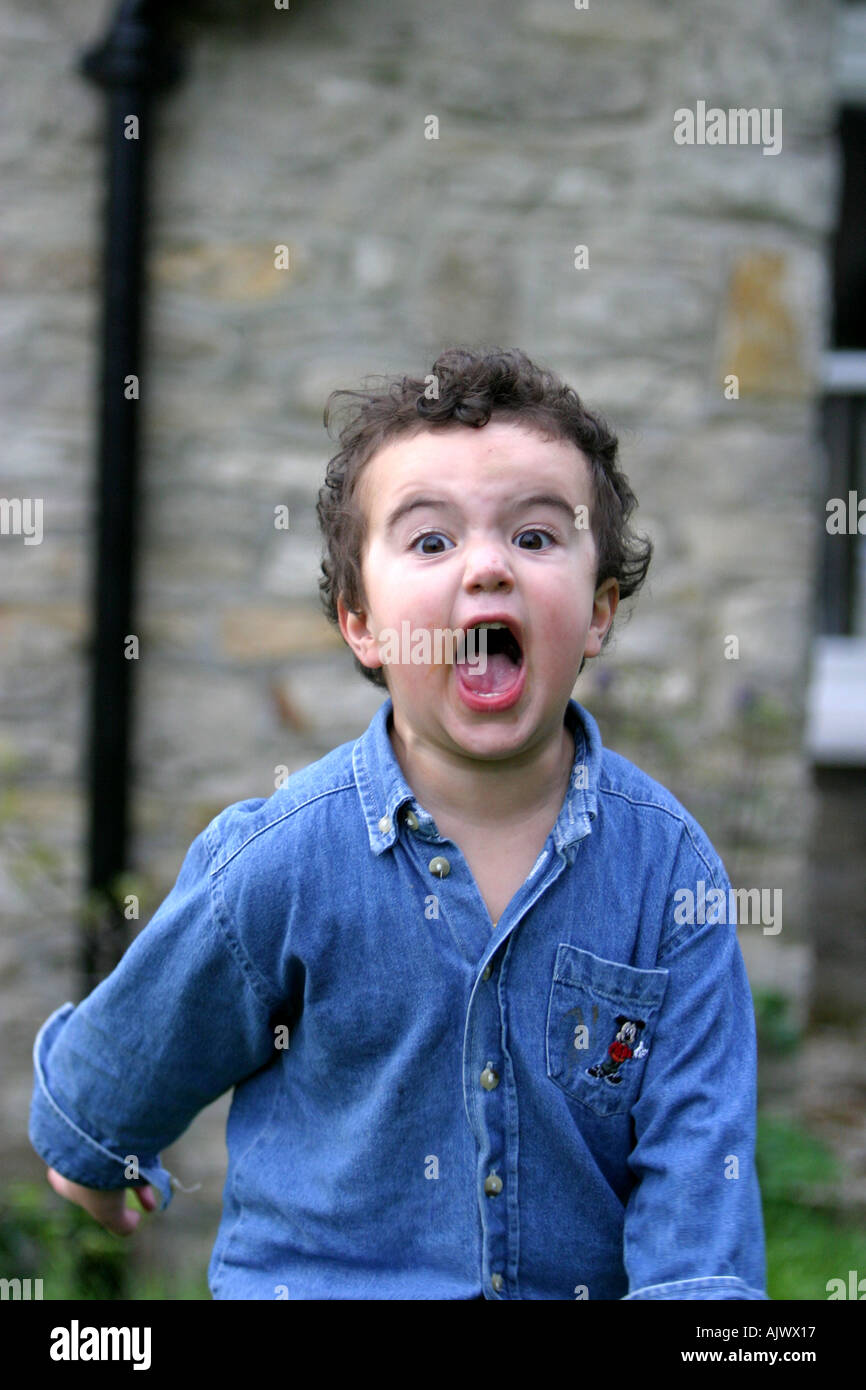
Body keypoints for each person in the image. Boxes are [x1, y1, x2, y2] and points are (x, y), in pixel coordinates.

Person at [30, 346, 768, 1300]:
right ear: (362, 624)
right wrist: (95, 1151)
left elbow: (698, 1194)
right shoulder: (284, 858)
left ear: (598, 613)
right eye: (430, 541)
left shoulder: (667, 873)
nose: (489, 567)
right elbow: (118, 1070)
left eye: (536, 536)